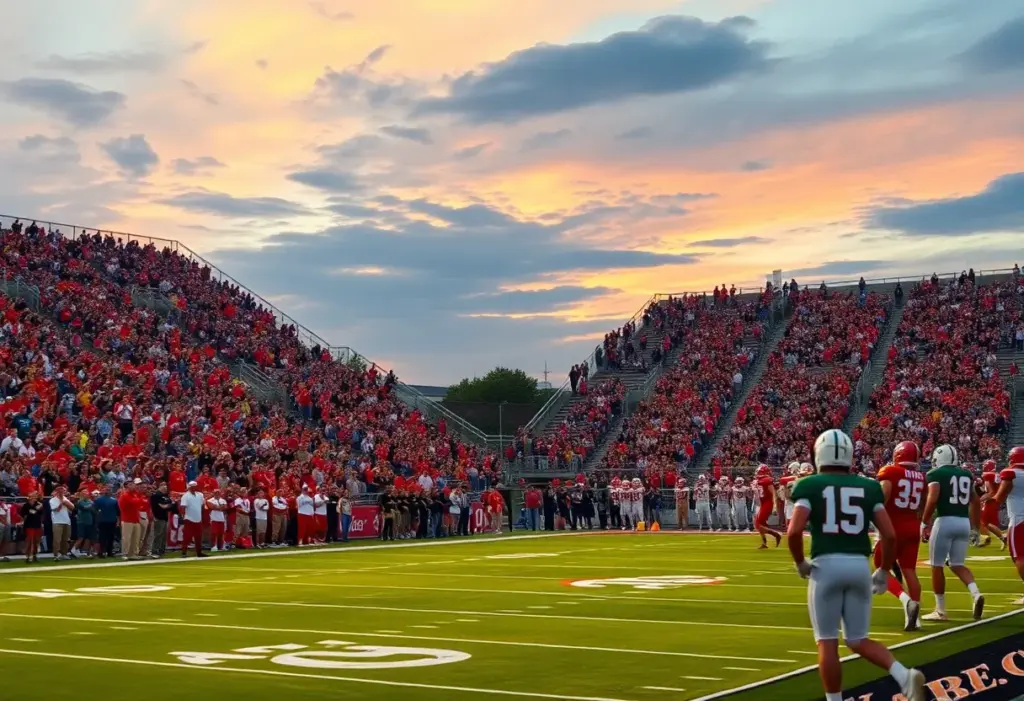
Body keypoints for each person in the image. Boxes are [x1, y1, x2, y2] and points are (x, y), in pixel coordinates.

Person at [788, 429, 925, 701]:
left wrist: (801, 562)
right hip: (859, 566)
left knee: (827, 642)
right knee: (857, 639)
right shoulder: (868, 487)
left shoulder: (807, 485)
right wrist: (884, 570)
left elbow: (793, 532)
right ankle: (903, 676)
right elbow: (889, 535)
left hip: (825, 566)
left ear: (818, 453)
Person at [921, 445, 985, 622]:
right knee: (957, 564)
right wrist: (976, 528)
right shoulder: (966, 474)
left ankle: (940, 609)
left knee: (937, 565)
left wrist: (924, 521)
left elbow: (933, 498)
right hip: (963, 522)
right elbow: (975, 501)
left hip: (945, 521)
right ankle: (976, 593)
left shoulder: (935, 474)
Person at [874, 441, 925, 631]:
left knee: (881, 569)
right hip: (913, 525)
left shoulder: (890, 471)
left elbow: (884, 495)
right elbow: (922, 503)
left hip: (893, 526)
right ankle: (916, 618)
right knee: (910, 571)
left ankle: (906, 601)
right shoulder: (921, 476)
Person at [992, 446, 1024, 604]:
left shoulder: (1010, 473)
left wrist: (991, 503)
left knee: (1018, 556)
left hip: (1018, 519)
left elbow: (1001, 494)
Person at [978, 460, 1005, 548]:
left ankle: (998, 538)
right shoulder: (996, 474)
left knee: (984, 522)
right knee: (985, 522)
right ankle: (990, 538)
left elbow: (991, 492)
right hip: (995, 500)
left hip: (991, 501)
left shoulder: (988, 475)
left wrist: (980, 500)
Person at [753, 465, 782, 548]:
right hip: (763, 503)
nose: (758, 473)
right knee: (761, 524)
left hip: (768, 503)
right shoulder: (760, 481)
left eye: (759, 472)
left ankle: (776, 534)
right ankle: (764, 543)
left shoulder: (766, 480)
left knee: (757, 524)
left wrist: (775, 507)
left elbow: (773, 494)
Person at [179, 480, 207, 558]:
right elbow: (183, 507)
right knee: (187, 537)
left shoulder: (200, 495)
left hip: (198, 518)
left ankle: (199, 552)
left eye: (195, 486)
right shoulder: (185, 496)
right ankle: (184, 553)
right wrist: (183, 516)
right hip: (189, 518)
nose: (194, 488)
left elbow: (202, 505)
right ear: (190, 487)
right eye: (193, 487)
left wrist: (202, 516)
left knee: (199, 536)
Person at [49, 486, 75, 561]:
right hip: (57, 521)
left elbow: (72, 508)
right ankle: (56, 554)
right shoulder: (52, 500)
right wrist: (61, 503)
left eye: (63, 491)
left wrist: (66, 502)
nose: (61, 492)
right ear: (57, 491)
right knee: (57, 539)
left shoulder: (66, 499)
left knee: (66, 539)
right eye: (60, 491)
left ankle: (64, 553)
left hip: (66, 521)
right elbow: (56, 510)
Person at [19, 492, 45, 563]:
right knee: (29, 541)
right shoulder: (26, 505)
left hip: (37, 524)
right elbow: (22, 514)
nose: (34, 497)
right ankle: (28, 556)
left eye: (35, 496)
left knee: (37, 541)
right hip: (29, 524)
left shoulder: (39, 504)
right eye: (32, 496)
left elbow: (41, 514)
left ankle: (35, 555)